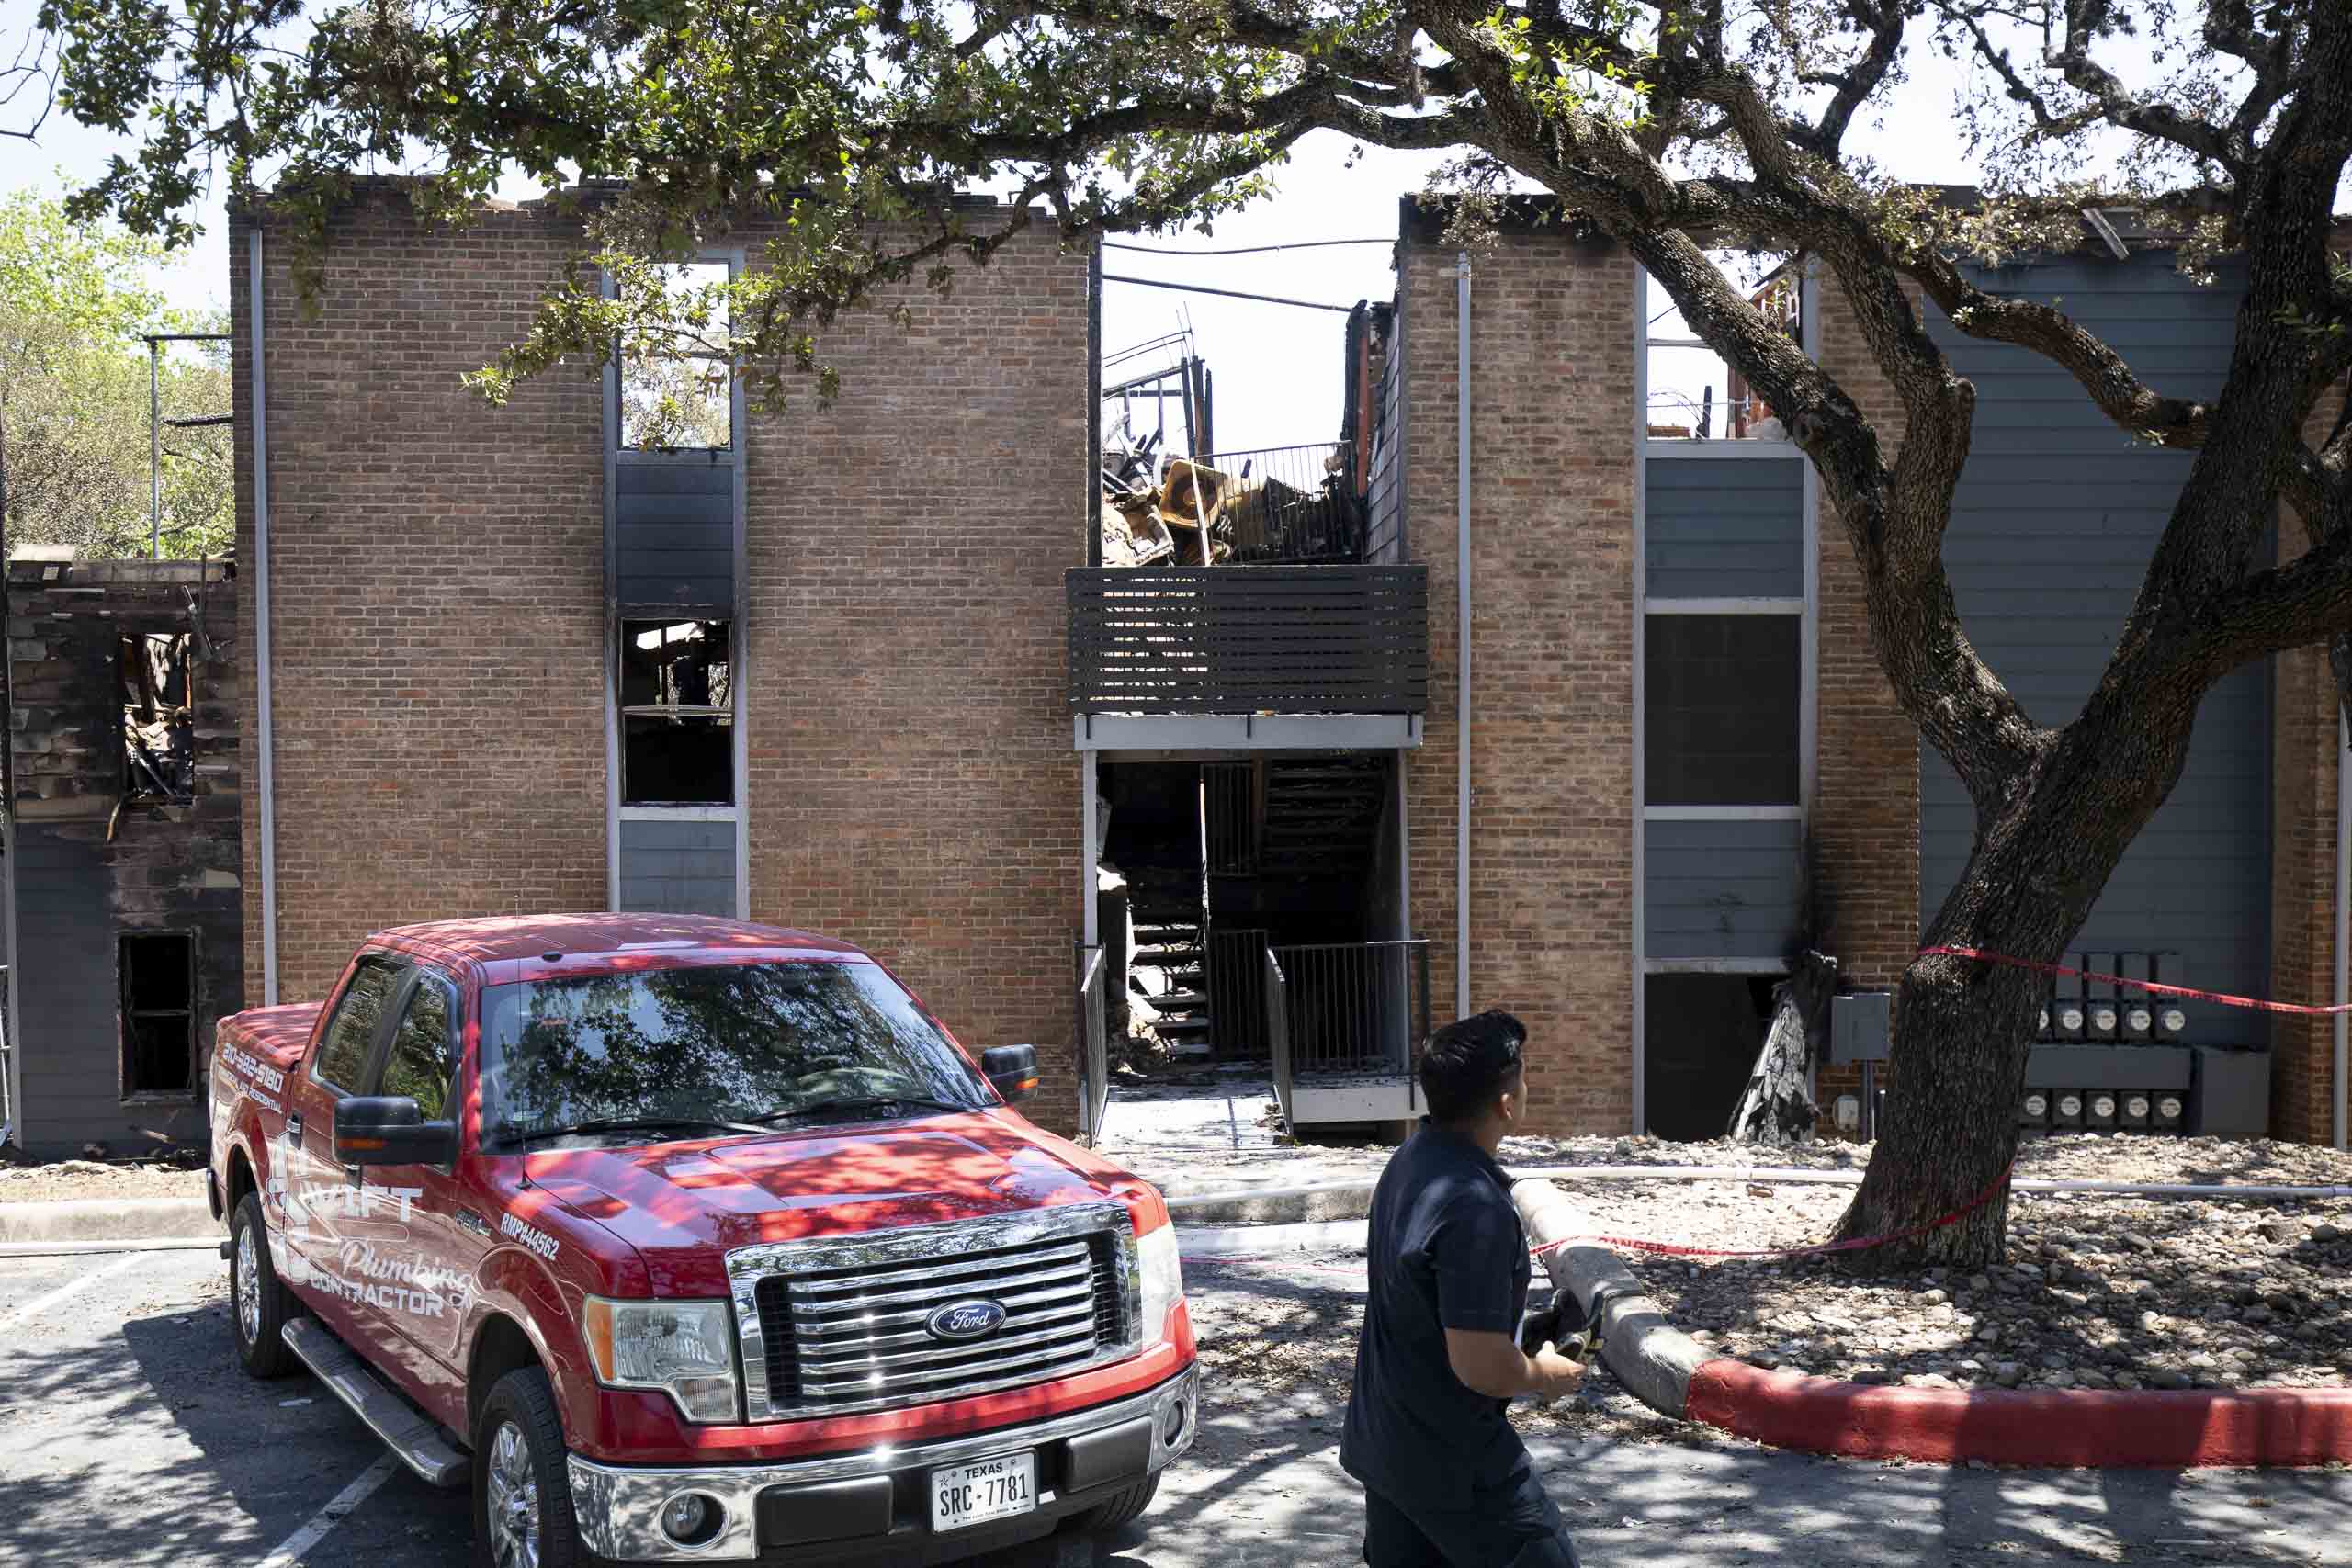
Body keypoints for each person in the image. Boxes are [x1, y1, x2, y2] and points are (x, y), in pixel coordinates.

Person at [1340, 1010, 1586, 1568]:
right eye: (1523, 1074)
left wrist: (1521, 1335)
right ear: (1505, 1103)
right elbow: (1480, 1367)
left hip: (1388, 1445)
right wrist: (1544, 1374)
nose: (1528, 1085)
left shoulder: (1411, 1159)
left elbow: (1427, 1307)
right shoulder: (1475, 1206)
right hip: (1456, 1464)